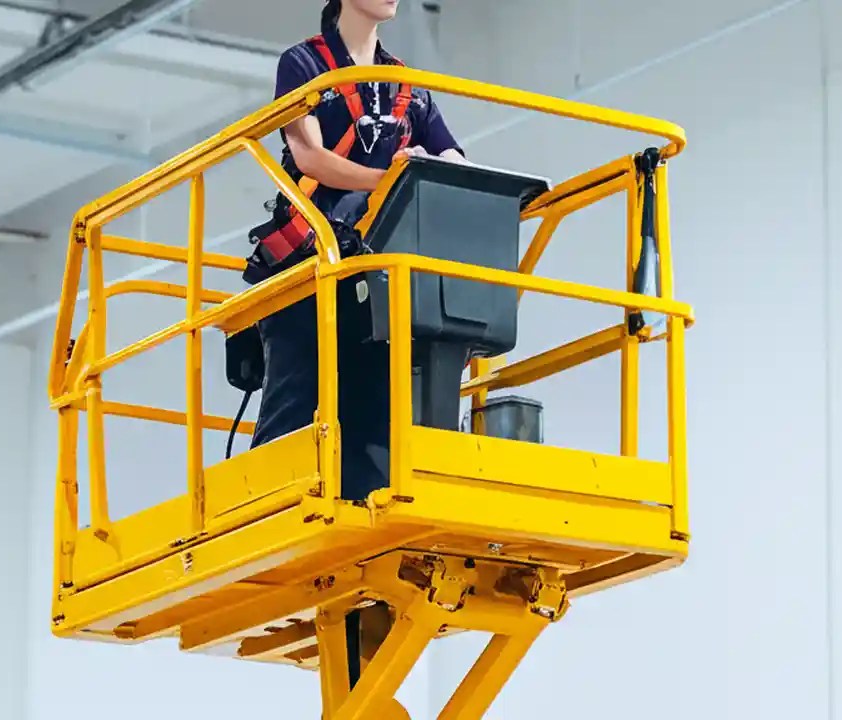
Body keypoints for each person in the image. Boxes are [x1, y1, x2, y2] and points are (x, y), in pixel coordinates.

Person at [242, 0, 465, 691]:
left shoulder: (404, 80)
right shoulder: (305, 64)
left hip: (377, 263)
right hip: (313, 259)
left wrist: (436, 167)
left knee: (377, 406)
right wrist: (391, 177)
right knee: (299, 398)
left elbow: (454, 155)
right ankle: (270, 520)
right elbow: (306, 153)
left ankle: (374, 535)